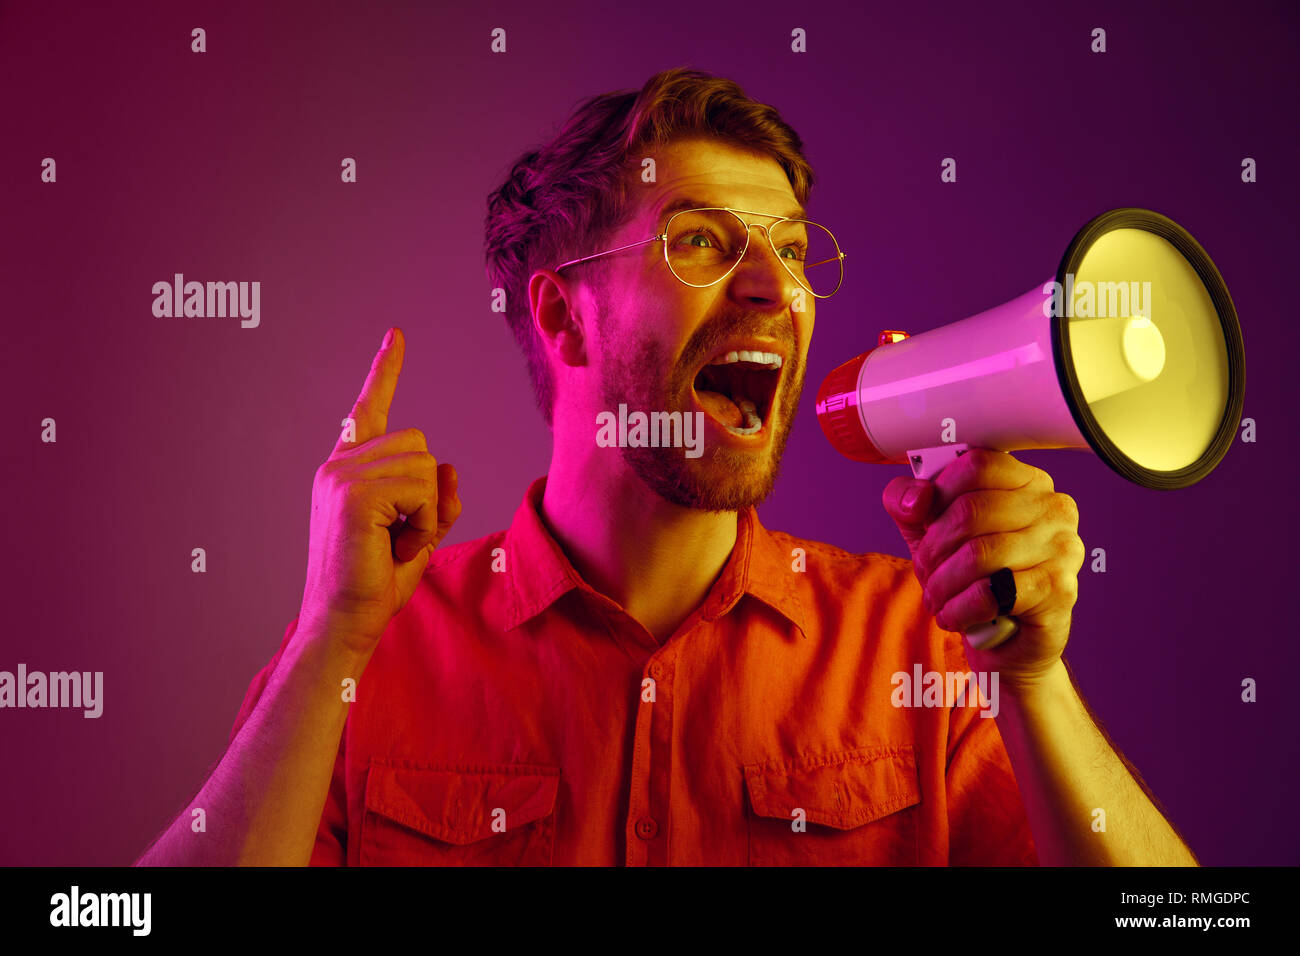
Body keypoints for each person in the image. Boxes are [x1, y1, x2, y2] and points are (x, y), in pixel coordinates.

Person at [137, 67, 1198, 866]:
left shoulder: (922, 639)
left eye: (789, 250)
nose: (772, 291)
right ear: (563, 315)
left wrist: (1032, 679)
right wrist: (329, 643)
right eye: (699, 242)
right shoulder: (370, 650)